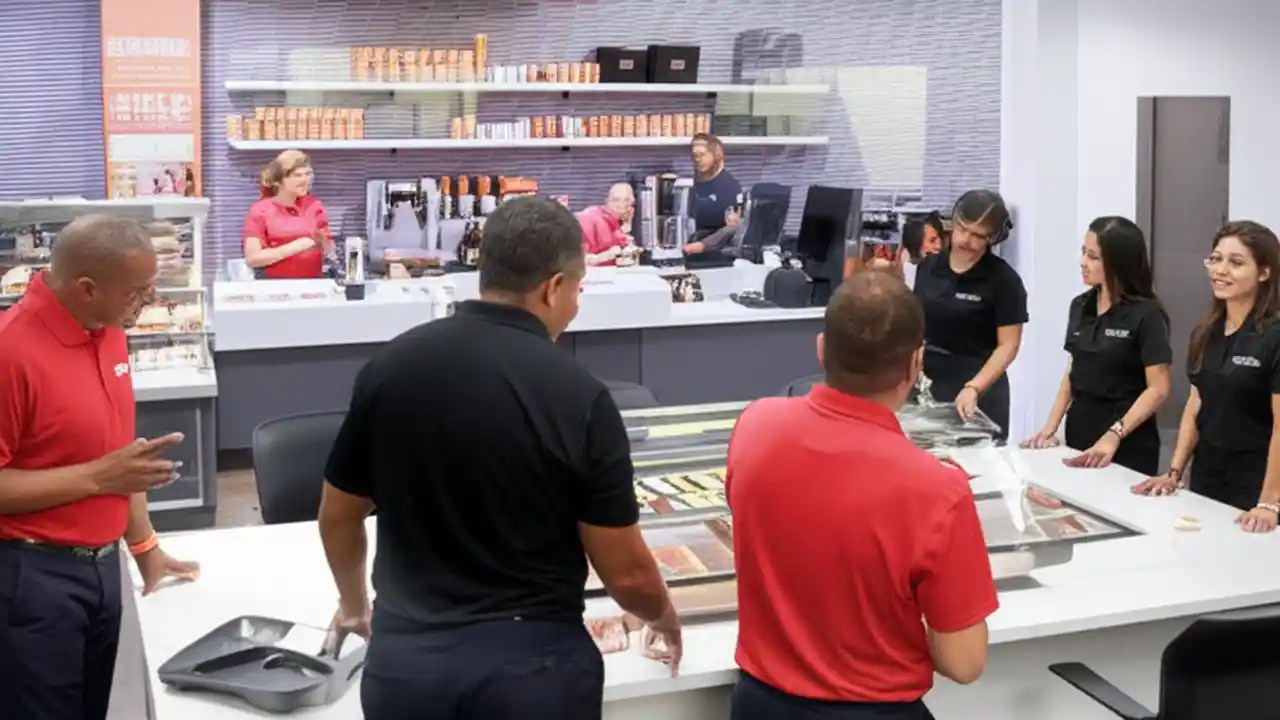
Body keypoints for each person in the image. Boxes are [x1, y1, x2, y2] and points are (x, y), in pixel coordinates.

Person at [319, 196, 682, 720]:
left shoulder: (390, 367)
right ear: (554, 288)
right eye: (578, 289)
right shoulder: (581, 397)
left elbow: (338, 514)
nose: (577, 305)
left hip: (409, 668)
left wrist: (354, 606)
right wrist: (663, 614)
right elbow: (625, 574)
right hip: (533, 672)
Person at [727, 271, 997, 720]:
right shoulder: (936, 490)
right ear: (916, 364)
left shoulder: (754, 427)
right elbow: (964, 662)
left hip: (760, 706)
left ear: (820, 348)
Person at [0, 214, 200, 719]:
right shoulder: (9, 351)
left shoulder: (108, 329)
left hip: (102, 567)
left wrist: (145, 545)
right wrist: (99, 477)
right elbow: (107, 469)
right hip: (30, 578)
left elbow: (119, 457)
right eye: (138, 292)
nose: (148, 302)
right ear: (86, 288)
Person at [1133, 220, 1280, 533]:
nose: (1221, 270)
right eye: (1215, 259)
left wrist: (1269, 502)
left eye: (1236, 262)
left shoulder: (1274, 337)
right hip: (1207, 477)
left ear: (1264, 273)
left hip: (1256, 486)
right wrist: (1174, 471)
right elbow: (1196, 402)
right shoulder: (1207, 332)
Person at [1021, 217, 1172, 475]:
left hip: (1127, 437)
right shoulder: (1080, 306)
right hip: (1081, 428)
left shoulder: (1146, 314)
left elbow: (1158, 388)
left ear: (1117, 263)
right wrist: (1049, 428)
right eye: (1083, 252)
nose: (1083, 262)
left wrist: (1115, 434)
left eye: (1093, 257)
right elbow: (1072, 372)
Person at [913, 190, 1028, 439]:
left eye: (979, 236)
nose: (967, 240)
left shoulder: (1004, 280)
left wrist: (975, 387)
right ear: (953, 223)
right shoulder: (929, 267)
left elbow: (1008, 345)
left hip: (979, 385)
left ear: (993, 238)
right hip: (931, 380)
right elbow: (918, 324)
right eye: (963, 229)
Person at [242, 149, 335, 279]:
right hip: (275, 287)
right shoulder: (260, 211)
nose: (305, 180)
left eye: (307, 174)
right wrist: (295, 247)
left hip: (313, 284)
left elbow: (329, 249)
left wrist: (324, 242)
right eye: (298, 175)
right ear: (279, 181)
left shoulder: (314, 206)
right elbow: (252, 258)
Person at [682, 133, 743, 265]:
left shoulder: (729, 186)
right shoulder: (692, 184)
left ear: (717, 155)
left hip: (716, 257)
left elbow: (732, 228)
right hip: (690, 253)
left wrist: (703, 245)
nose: (697, 159)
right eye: (694, 156)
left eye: (702, 155)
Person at [578, 182, 635, 266]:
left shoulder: (617, 223)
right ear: (607, 201)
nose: (621, 205)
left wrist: (627, 225)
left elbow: (626, 253)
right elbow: (576, 260)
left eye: (626, 200)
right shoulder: (590, 217)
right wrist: (601, 257)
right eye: (616, 200)